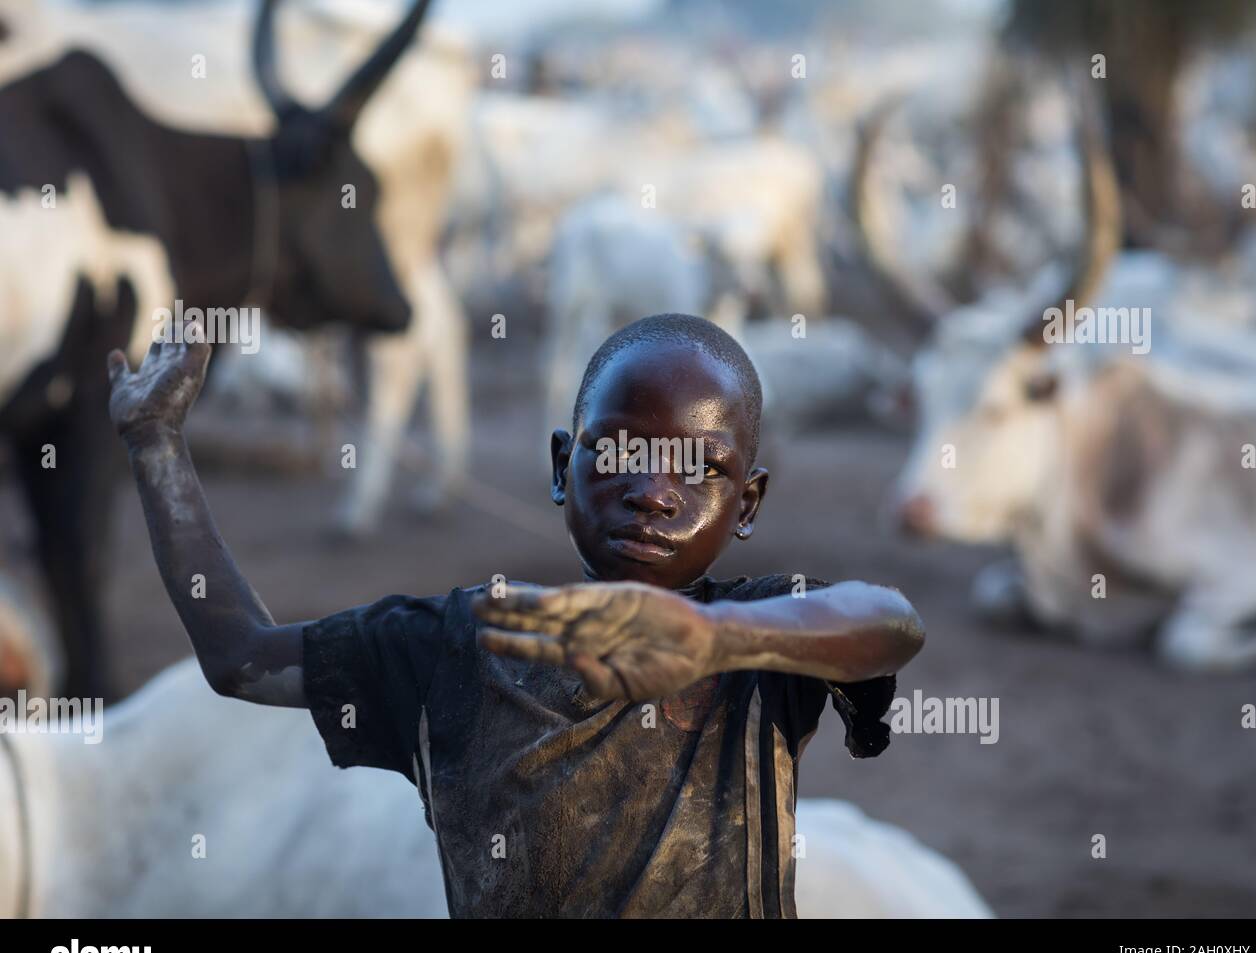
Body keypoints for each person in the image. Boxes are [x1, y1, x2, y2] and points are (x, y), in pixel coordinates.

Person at [106, 312, 925, 918]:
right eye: (618, 452)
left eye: (697, 467)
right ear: (564, 466)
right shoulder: (449, 646)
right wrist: (154, 443)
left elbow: (888, 624)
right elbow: (239, 653)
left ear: (746, 503)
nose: (653, 489)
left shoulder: (764, 641)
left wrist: (717, 639)